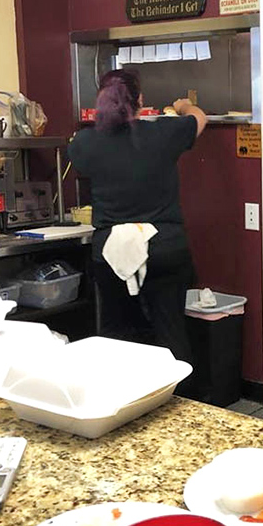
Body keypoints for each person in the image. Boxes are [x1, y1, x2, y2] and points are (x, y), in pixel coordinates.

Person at [68, 69, 206, 371]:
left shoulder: (85, 141)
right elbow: (200, 118)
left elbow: (81, 159)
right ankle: (178, 397)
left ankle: (123, 395)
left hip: (111, 251)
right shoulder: (164, 132)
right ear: (140, 100)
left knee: (117, 334)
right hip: (163, 247)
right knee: (171, 331)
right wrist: (183, 105)